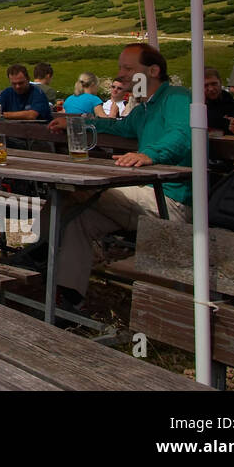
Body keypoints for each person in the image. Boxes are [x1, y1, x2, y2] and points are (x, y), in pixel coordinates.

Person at [46, 43, 192, 308]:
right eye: (120, 67)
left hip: (170, 200)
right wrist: (75, 121)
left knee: (72, 192)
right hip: (143, 194)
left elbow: (184, 134)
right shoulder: (144, 109)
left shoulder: (177, 97)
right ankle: (68, 296)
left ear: (154, 70)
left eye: (128, 68)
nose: (121, 74)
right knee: (80, 218)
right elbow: (118, 127)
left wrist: (150, 154)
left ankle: (33, 259)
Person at [203, 67, 234, 135]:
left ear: (220, 83)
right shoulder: (194, 108)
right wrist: (225, 122)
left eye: (214, 84)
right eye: (206, 85)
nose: (211, 89)